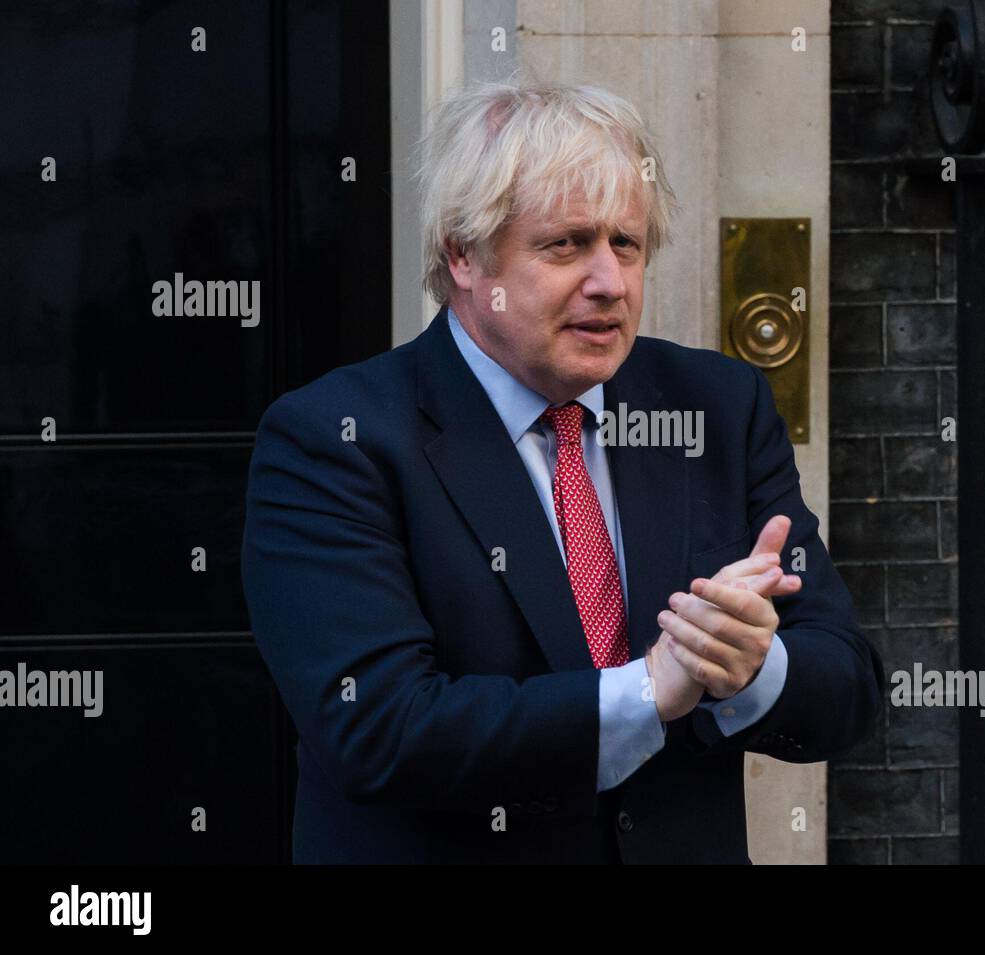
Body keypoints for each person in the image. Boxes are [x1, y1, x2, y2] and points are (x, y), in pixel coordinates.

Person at [240, 76, 885, 864]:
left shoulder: (718, 407)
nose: (609, 281)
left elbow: (849, 685)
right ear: (464, 254)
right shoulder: (337, 439)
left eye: (627, 243)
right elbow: (378, 729)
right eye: (566, 244)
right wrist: (650, 689)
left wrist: (749, 666)